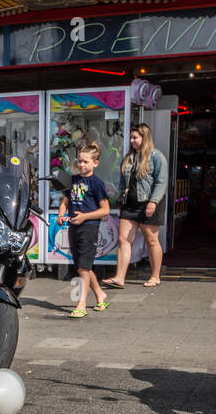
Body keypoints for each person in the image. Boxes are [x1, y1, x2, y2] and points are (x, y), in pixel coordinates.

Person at [106, 124, 167, 289]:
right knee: (123, 239)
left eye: (135, 137)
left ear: (144, 138)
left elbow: (161, 181)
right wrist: (117, 194)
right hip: (130, 204)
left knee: (151, 240)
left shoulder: (156, 156)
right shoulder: (128, 158)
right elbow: (122, 181)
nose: (132, 141)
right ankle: (119, 277)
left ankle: (155, 276)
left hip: (148, 202)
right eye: (131, 137)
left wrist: (153, 201)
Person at [57, 143, 111, 319]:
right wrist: (61, 214)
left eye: (85, 162)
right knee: (83, 266)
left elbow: (105, 210)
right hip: (73, 226)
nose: (81, 165)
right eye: (79, 161)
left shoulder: (97, 184)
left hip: (89, 228)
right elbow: (66, 200)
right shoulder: (73, 180)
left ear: (95, 163)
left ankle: (81, 304)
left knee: (82, 267)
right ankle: (100, 296)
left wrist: (84, 217)